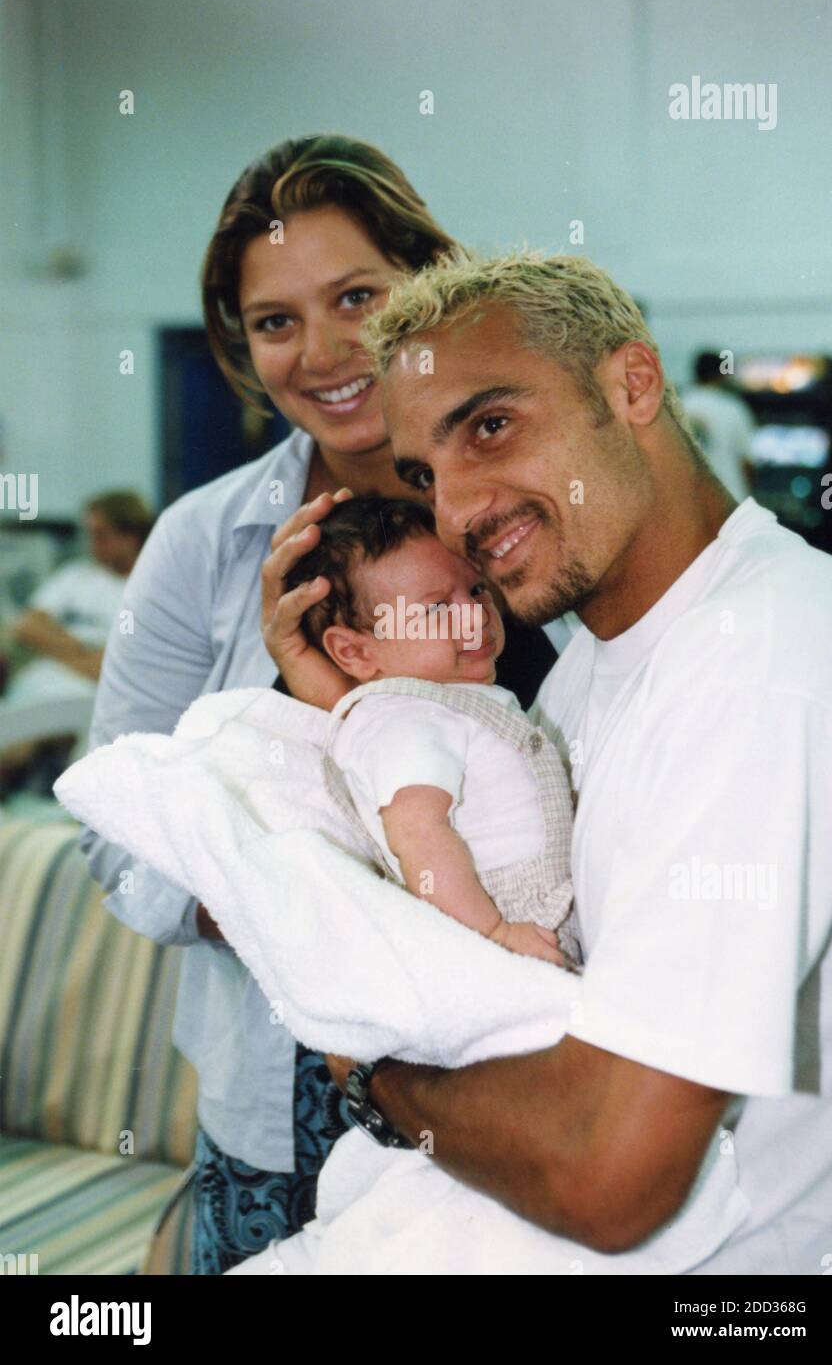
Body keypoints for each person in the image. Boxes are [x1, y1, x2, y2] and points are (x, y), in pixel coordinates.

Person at [262, 249, 832, 1273]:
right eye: (423, 473)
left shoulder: (759, 666)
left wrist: (365, 1064)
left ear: (631, 383)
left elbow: (607, 1175)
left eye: (489, 426)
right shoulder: (589, 670)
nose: (457, 509)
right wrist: (350, 702)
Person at [79, 137, 565, 1275]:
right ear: (243, 348)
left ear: (422, 285)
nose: (326, 350)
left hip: (518, 1060)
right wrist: (283, 890)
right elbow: (114, 824)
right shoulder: (203, 540)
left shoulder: (517, 510)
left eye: (357, 297)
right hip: (270, 1080)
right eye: (275, 320)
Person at [287, 494, 579, 968]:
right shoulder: (403, 720)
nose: (474, 614)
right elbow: (419, 832)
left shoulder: (441, 703)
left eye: (477, 590)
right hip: (502, 914)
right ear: (356, 654)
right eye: (437, 608)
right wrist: (493, 933)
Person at [0, 491, 152, 796]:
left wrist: (57, 649)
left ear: (131, 536)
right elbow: (29, 627)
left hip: (89, 700)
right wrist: (83, 653)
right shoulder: (76, 576)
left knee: (30, 736)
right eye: (90, 534)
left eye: (102, 535)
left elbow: (117, 667)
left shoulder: (148, 588)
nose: (92, 544)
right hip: (35, 682)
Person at [681, 350, 755, 502]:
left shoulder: (678, 405)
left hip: (688, 501)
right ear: (720, 374)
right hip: (729, 499)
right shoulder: (733, 408)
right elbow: (747, 463)